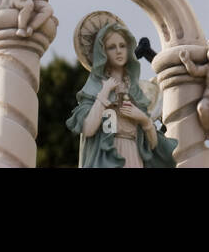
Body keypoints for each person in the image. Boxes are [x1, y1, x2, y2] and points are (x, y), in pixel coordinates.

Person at [66, 20, 177, 168]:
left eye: (122, 46)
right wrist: (104, 93)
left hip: (134, 156)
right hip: (107, 158)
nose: (118, 51)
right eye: (112, 47)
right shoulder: (96, 87)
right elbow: (89, 129)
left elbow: (152, 145)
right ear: (103, 52)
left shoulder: (135, 91)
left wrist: (143, 119)